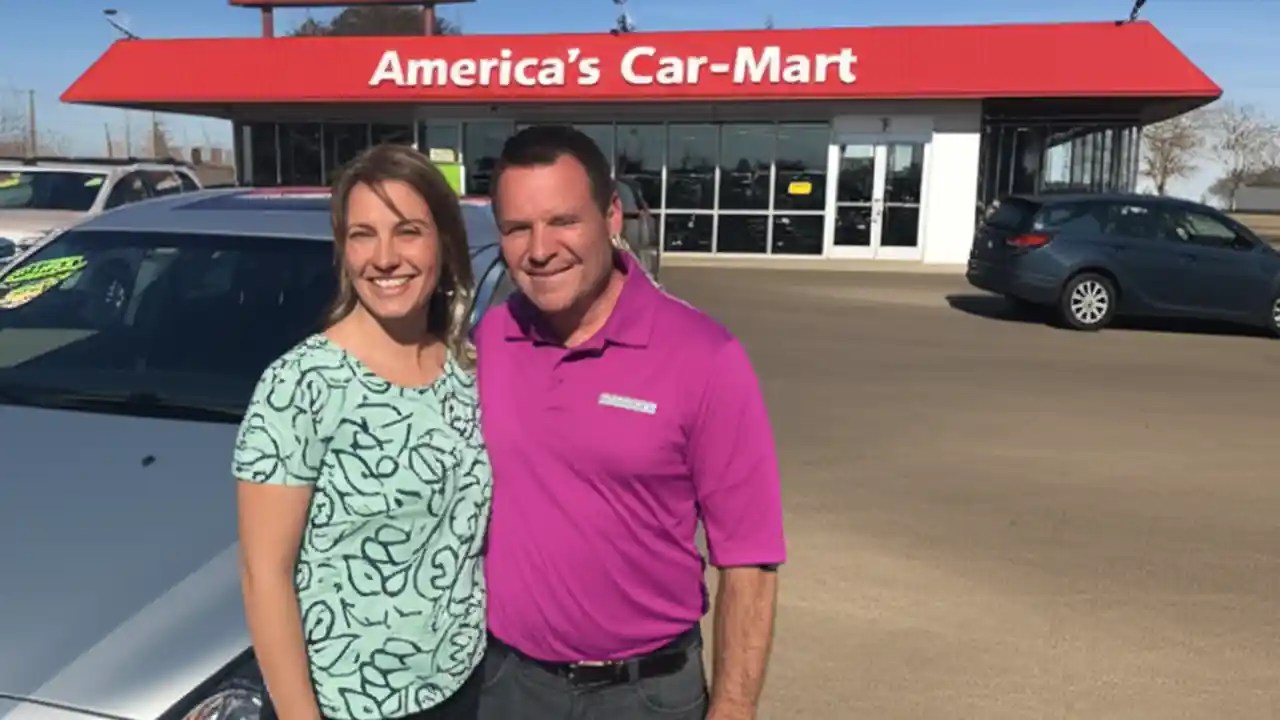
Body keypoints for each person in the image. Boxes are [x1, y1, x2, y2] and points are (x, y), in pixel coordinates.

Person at [472, 124, 787, 720]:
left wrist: (734, 706)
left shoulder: (705, 357)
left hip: (645, 694)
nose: (540, 249)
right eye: (517, 228)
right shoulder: (492, 338)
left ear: (612, 216)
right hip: (509, 686)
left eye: (564, 220)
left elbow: (750, 559)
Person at [233, 143, 492, 720]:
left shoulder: (464, 367)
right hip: (349, 704)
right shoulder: (302, 384)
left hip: (464, 683)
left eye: (407, 232)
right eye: (362, 235)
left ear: (444, 244)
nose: (384, 257)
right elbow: (263, 575)